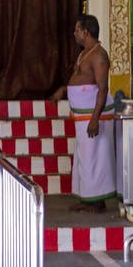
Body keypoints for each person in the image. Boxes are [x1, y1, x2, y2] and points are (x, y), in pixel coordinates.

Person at [51, 14, 116, 213]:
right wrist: (64, 89)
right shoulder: (85, 53)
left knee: (95, 158)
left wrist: (95, 119)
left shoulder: (99, 55)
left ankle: (97, 203)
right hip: (83, 116)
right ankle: (88, 199)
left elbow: (103, 88)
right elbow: (81, 78)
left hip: (94, 116)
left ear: (85, 32)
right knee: (84, 157)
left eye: (77, 29)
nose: (74, 33)